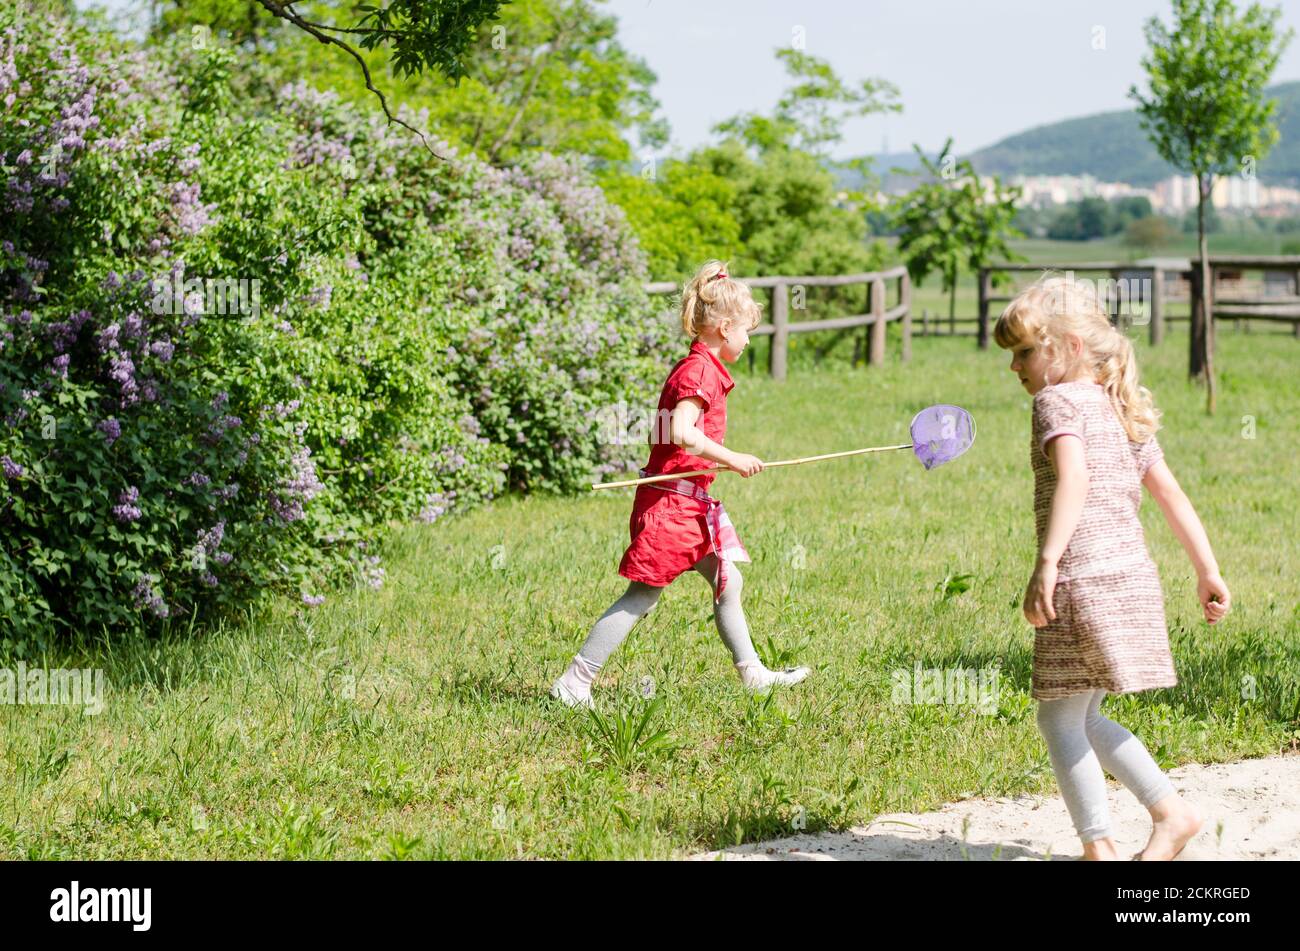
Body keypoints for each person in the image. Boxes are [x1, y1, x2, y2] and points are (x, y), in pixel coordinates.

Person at [995, 274, 1231, 861]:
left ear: (1069, 347)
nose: (1015, 366)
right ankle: (1169, 816)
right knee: (1081, 712)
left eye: (1026, 351)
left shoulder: (1056, 401)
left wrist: (1047, 563)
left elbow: (1074, 477)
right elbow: (1171, 496)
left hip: (1082, 579)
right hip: (1130, 578)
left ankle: (1103, 846)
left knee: (1058, 718)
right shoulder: (1115, 404)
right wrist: (1207, 569)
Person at [550, 260, 810, 709]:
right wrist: (732, 458)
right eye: (747, 331)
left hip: (688, 503)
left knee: (728, 583)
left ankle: (753, 675)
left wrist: (716, 464)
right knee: (643, 595)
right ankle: (574, 682)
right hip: (671, 507)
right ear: (724, 328)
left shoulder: (703, 366)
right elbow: (684, 431)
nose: (749, 340)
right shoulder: (698, 372)